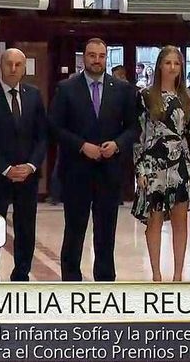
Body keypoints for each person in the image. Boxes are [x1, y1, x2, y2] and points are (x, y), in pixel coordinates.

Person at [49, 38, 139, 281]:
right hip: (76, 172)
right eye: (92, 55)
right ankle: (71, 280)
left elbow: (133, 128)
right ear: (84, 57)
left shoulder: (122, 89)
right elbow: (55, 127)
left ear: (106, 58)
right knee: (74, 231)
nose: (97, 60)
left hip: (109, 172)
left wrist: (117, 144)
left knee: (106, 233)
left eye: (101, 56)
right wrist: (81, 146)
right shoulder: (66, 88)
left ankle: (105, 280)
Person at [0, 48, 48, 282]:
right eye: (9, 63)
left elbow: (42, 136)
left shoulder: (33, 95)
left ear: (24, 68)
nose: (13, 68)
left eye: (18, 64)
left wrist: (31, 165)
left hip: (28, 176)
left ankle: (21, 273)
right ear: (0, 65)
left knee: (26, 227)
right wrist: (6, 169)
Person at [133, 46, 190, 282]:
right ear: (160, 65)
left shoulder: (186, 98)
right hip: (154, 164)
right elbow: (139, 135)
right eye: (168, 62)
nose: (172, 67)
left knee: (181, 221)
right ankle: (156, 274)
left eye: (177, 63)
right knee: (154, 220)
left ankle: (178, 275)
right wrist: (139, 169)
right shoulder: (145, 96)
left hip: (180, 164)